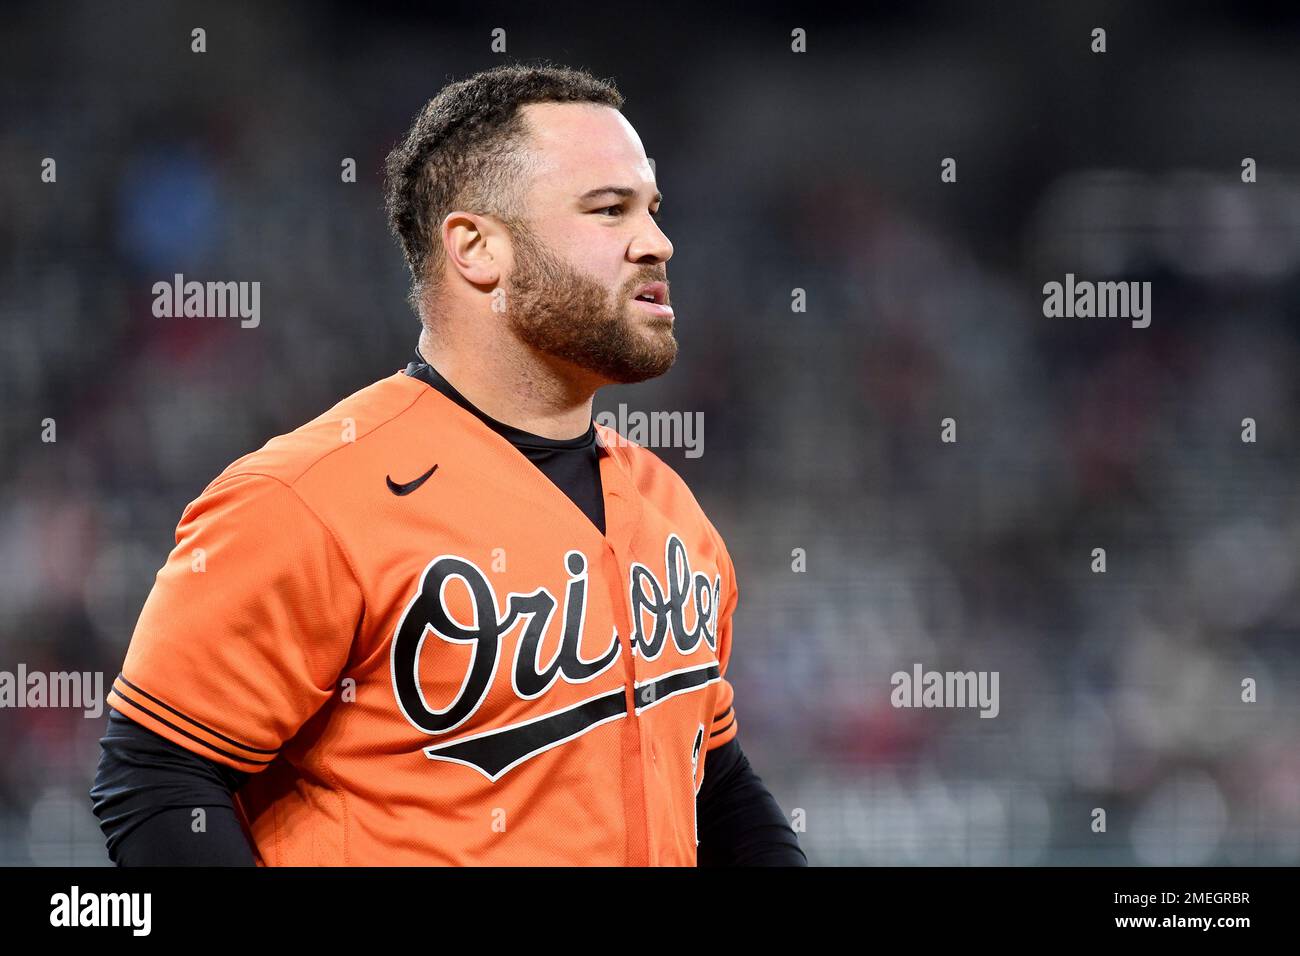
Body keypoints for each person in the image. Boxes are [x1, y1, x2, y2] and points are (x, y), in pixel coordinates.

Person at [90, 62, 807, 867]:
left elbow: (712, 775)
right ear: (476, 249)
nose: (658, 242)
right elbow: (154, 780)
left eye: (652, 208)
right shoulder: (306, 496)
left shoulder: (670, 507)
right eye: (610, 211)